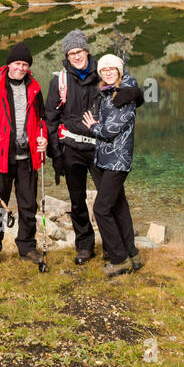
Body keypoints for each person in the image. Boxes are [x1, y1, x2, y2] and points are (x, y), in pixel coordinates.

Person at [0, 42, 48, 267]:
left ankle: (27, 247)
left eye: (25, 64)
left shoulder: (34, 88)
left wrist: (43, 138)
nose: (21, 68)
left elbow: (42, 120)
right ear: (9, 64)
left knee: (28, 206)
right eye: (17, 63)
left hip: (28, 159)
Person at [82, 54, 142, 277]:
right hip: (109, 159)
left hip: (117, 160)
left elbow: (110, 130)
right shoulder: (111, 90)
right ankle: (132, 254)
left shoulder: (122, 94)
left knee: (101, 208)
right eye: (103, 69)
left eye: (111, 69)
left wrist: (93, 127)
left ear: (119, 70)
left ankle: (119, 259)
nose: (107, 72)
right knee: (118, 205)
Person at [44, 30, 101, 264]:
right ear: (67, 56)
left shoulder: (105, 74)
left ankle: (114, 243)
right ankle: (84, 245)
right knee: (77, 200)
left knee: (109, 197)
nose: (76, 56)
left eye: (79, 51)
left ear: (87, 51)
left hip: (100, 148)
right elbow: (51, 119)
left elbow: (127, 97)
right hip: (72, 149)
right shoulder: (59, 81)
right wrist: (56, 155)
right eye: (71, 53)